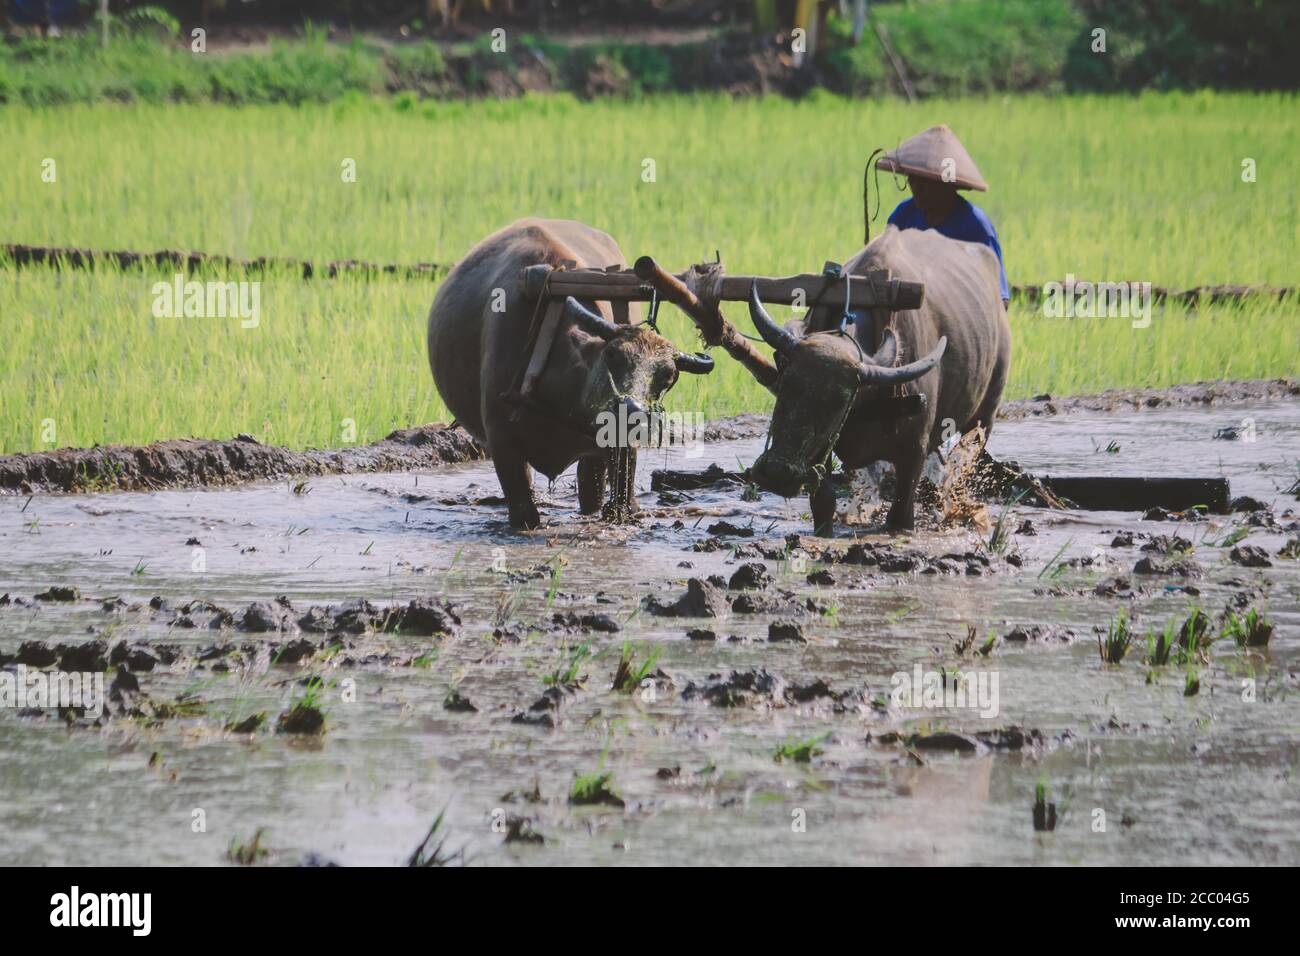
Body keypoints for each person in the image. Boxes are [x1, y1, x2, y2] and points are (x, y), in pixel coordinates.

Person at [878, 125, 1010, 306]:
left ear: (946, 185)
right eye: (912, 180)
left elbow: (999, 300)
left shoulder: (976, 227)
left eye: (925, 182)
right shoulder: (903, 216)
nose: (916, 189)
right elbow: (884, 271)